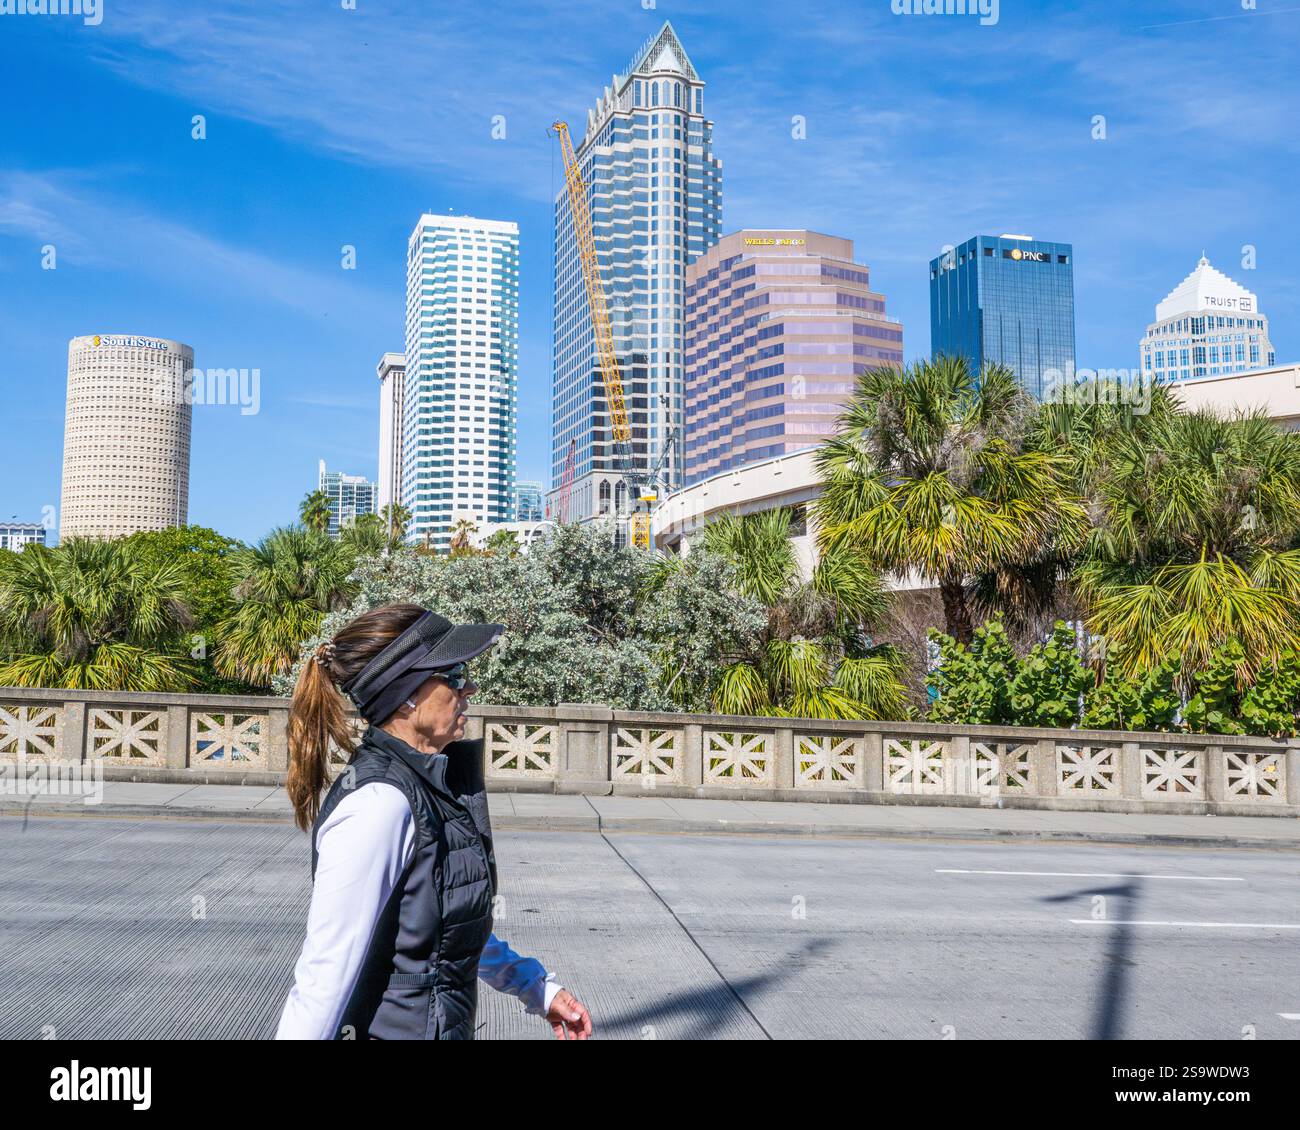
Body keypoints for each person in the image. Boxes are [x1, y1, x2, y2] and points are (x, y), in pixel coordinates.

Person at [274, 601, 592, 1040]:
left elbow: (441, 930)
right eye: (455, 676)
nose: (470, 688)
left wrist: (535, 986)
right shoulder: (379, 804)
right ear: (405, 695)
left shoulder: (427, 784)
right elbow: (324, 975)